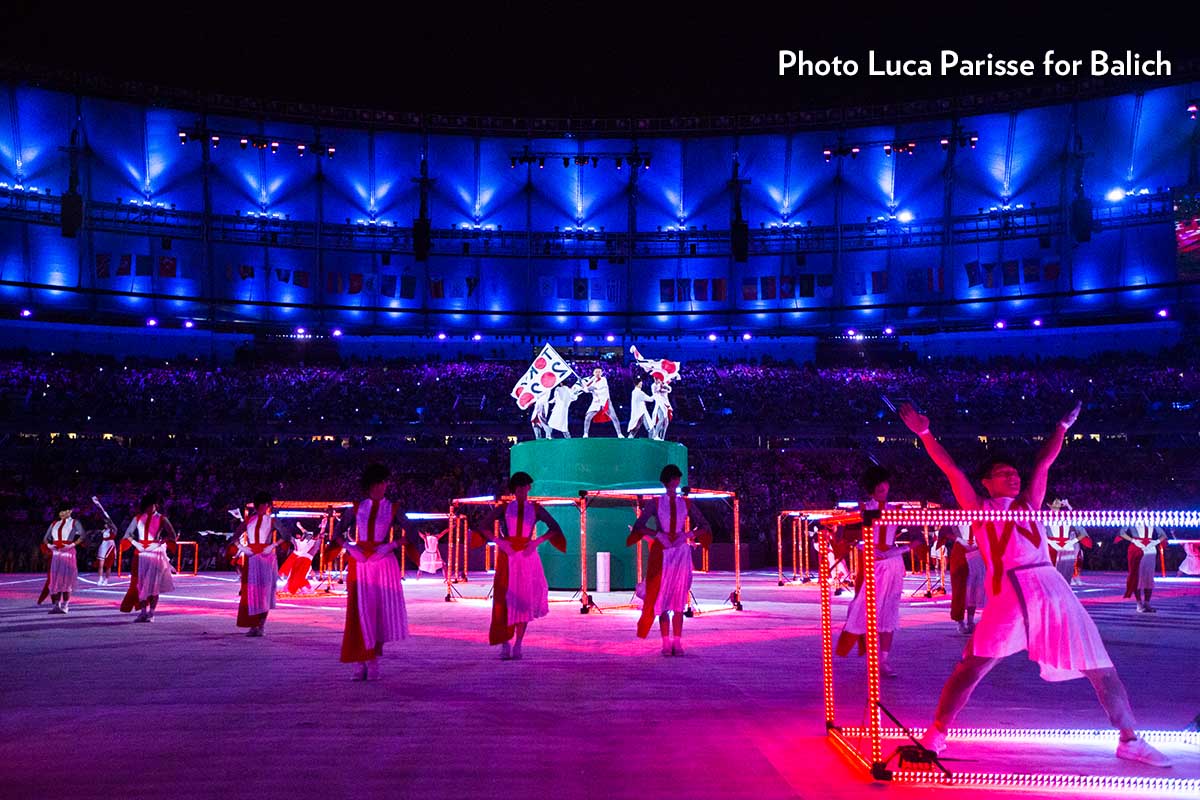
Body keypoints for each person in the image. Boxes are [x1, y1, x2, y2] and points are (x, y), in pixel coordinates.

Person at [898, 401, 1171, 767]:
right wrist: (925, 433)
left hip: (1051, 587)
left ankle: (1130, 739)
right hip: (1010, 594)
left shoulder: (1030, 503)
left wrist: (1060, 426)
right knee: (971, 667)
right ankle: (935, 736)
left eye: (1014, 472)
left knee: (1100, 666)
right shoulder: (978, 507)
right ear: (986, 482)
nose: (1013, 476)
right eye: (1004, 473)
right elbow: (950, 469)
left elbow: (1043, 462)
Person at [472, 472, 565, 660]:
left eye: (525, 487)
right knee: (504, 600)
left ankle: (518, 644)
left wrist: (535, 542)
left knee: (523, 602)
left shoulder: (535, 508)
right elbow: (482, 526)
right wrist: (500, 542)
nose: (522, 491)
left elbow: (555, 528)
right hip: (507, 557)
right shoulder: (505, 507)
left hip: (526, 556)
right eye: (519, 488)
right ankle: (505, 643)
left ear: (529, 488)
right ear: (514, 490)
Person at [335, 463, 414, 680]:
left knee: (377, 613)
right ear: (372, 484)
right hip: (359, 562)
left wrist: (391, 546)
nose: (385, 486)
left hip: (381, 562)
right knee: (358, 612)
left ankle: (373, 660)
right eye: (382, 482)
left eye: (386, 482)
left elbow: (413, 533)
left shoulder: (393, 507)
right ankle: (361, 661)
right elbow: (337, 533)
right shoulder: (356, 507)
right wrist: (349, 547)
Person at [628, 464, 711, 656]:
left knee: (679, 597)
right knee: (662, 597)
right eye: (675, 479)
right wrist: (658, 534)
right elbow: (639, 525)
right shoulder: (656, 503)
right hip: (663, 553)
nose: (676, 482)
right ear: (671, 480)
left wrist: (688, 534)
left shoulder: (686, 503)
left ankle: (677, 642)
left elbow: (705, 525)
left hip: (680, 554)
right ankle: (666, 642)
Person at [836, 467, 909, 677]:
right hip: (871, 563)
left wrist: (900, 550)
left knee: (889, 612)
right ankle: (870, 657)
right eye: (877, 484)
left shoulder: (899, 510)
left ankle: (883, 661)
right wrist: (864, 547)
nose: (882, 487)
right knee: (865, 610)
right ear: (870, 488)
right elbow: (845, 536)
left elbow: (917, 539)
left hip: (893, 565)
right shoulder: (861, 509)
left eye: (884, 483)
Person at [232, 492, 291, 637]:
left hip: (266, 557)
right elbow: (234, 537)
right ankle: (254, 625)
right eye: (266, 504)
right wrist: (242, 548)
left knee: (264, 592)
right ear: (261, 505)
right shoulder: (249, 520)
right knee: (252, 592)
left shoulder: (271, 521)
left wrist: (273, 545)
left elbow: (287, 536)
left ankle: (261, 625)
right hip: (253, 557)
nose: (267, 507)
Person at [120, 494, 177, 623]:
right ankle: (143, 612)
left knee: (154, 585)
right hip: (141, 553)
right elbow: (128, 534)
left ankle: (151, 612)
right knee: (141, 584)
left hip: (155, 553)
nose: (150, 508)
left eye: (152, 505)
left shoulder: (162, 519)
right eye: (148, 505)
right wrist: (135, 543)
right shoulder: (138, 518)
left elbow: (172, 535)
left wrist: (161, 542)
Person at [940, 523, 986, 634]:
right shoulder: (956, 512)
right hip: (960, 550)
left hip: (977, 549)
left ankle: (971, 620)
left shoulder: (979, 512)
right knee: (960, 587)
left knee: (975, 587)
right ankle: (959, 622)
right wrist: (960, 540)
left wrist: (979, 542)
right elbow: (945, 531)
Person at [42, 502, 84, 614]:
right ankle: (56, 605)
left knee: (67, 579)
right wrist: (49, 545)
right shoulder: (54, 523)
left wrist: (72, 545)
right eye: (60, 511)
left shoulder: (75, 523)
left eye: (64, 511)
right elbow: (45, 538)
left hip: (68, 552)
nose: (61, 513)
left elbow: (83, 535)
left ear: (70, 511)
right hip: (56, 554)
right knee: (56, 579)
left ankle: (65, 605)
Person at [1117, 519, 1168, 612]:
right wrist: (1133, 540)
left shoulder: (1152, 521)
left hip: (1150, 549)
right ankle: (1139, 604)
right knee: (1137, 576)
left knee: (1149, 577)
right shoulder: (1131, 521)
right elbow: (1122, 533)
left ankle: (1147, 603)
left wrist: (1155, 542)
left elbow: (1163, 535)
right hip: (1137, 547)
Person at [1046, 498, 1090, 587]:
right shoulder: (1045, 517)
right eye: (1055, 500)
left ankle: (1074, 576)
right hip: (1052, 545)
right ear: (1049, 504)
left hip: (1066, 544)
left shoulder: (1065, 516)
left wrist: (1069, 506)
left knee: (1076, 555)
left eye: (1059, 500)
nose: (1058, 502)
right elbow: (1041, 532)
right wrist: (1050, 542)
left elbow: (1078, 521)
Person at [582, 367, 624, 438]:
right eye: (596, 372)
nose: (597, 373)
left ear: (601, 373)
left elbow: (596, 388)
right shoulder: (592, 380)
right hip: (596, 402)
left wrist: (589, 388)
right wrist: (585, 386)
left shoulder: (604, 379)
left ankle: (619, 434)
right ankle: (585, 434)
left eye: (599, 372)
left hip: (605, 401)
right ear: (593, 373)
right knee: (588, 417)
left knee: (614, 417)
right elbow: (585, 389)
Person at [280, 524, 320, 594]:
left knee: (302, 575)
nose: (299, 536)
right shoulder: (296, 541)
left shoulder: (307, 540)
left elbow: (307, 533)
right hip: (296, 557)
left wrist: (300, 527)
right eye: (297, 535)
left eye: (300, 535)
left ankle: (306, 587)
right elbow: (289, 537)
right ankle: (290, 587)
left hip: (304, 558)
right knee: (293, 575)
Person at [627, 370, 655, 438]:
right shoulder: (639, 393)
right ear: (639, 383)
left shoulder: (634, 392)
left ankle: (627, 442)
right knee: (651, 429)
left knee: (634, 429)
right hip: (641, 412)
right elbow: (651, 399)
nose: (642, 384)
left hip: (637, 413)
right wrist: (656, 393)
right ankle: (651, 444)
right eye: (641, 383)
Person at [650, 376, 673, 440]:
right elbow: (655, 392)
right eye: (655, 378)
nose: (656, 379)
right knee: (661, 419)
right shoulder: (653, 385)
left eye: (657, 378)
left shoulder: (664, 384)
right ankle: (655, 436)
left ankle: (662, 438)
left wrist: (664, 386)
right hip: (659, 404)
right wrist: (659, 386)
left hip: (666, 404)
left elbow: (669, 390)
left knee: (666, 422)